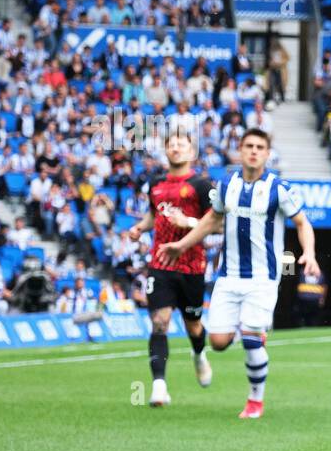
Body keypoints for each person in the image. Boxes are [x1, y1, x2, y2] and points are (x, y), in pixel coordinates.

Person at [159, 129, 320, 419]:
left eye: (260, 147)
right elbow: (211, 220)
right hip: (228, 276)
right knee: (218, 342)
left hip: (263, 277)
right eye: (249, 146)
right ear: (240, 151)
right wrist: (181, 246)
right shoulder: (226, 185)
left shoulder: (279, 188)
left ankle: (255, 400)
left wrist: (308, 252)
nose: (254, 151)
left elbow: (302, 222)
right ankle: (252, 333)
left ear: (267, 153)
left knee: (249, 338)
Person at [123, 133, 214, 407]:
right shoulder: (156, 184)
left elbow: (215, 222)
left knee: (193, 326)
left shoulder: (202, 184)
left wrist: (187, 221)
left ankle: (199, 355)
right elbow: (155, 213)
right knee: (159, 322)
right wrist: (141, 227)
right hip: (160, 263)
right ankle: (159, 386)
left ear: (192, 151)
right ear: (165, 151)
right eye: (170, 145)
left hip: (192, 265)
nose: (175, 148)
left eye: (181, 144)